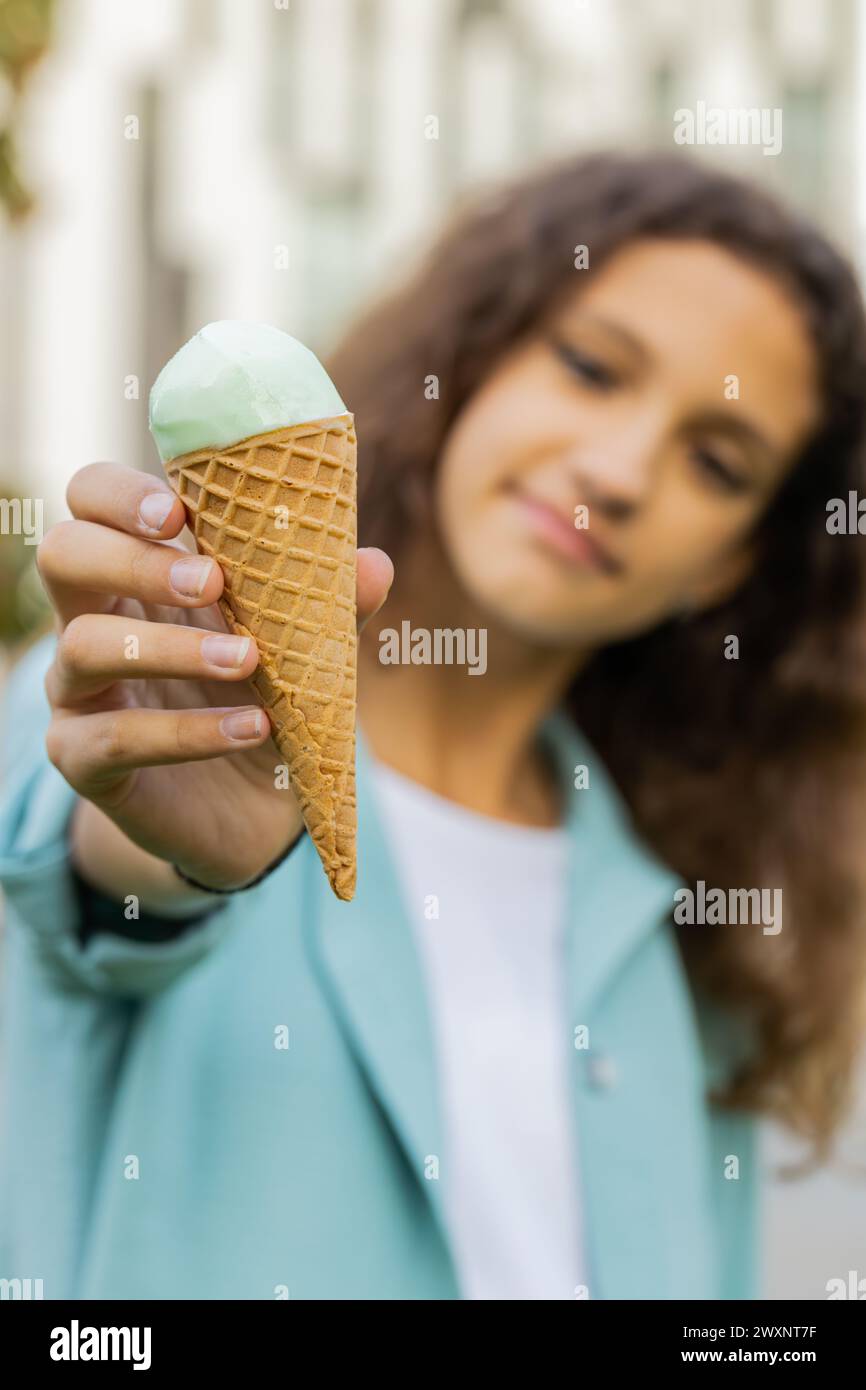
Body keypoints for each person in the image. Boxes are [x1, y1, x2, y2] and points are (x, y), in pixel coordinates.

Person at [2, 151, 865, 1300]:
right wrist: (165, 861)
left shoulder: (686, 915)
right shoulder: (153, 705)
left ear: (731, 562)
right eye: (591, 367)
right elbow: (97, 886)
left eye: (714, 459)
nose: (614, 471)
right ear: (469, 360)